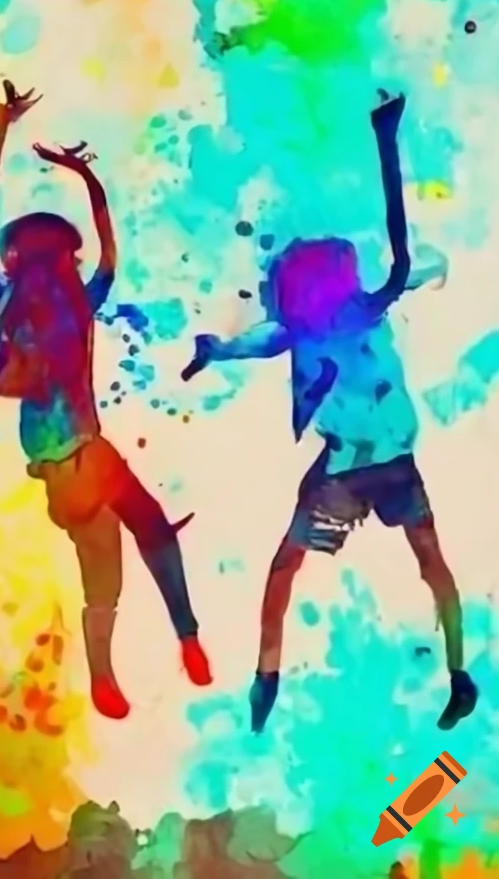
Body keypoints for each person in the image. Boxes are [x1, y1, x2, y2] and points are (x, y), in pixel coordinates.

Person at [182, 91, 477, 733]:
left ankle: (459, 676)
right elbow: (259, 340)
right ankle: (267, 677)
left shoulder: (356, 313)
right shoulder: (301, 330)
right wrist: (219, 349)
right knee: (294, 565)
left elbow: (400, 260)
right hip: (345, 469)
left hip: (390, 465)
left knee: (429, 562)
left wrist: (387, 140)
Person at [0, 81, 211, 721]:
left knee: (138, 542)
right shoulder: (61, 303)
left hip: (83, 457)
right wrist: (79, 174)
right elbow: (101, 245)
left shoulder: (38, 302)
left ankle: (173, 644)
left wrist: (9, 134)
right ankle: (158, 649)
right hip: (72, 462)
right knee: (121, 558)